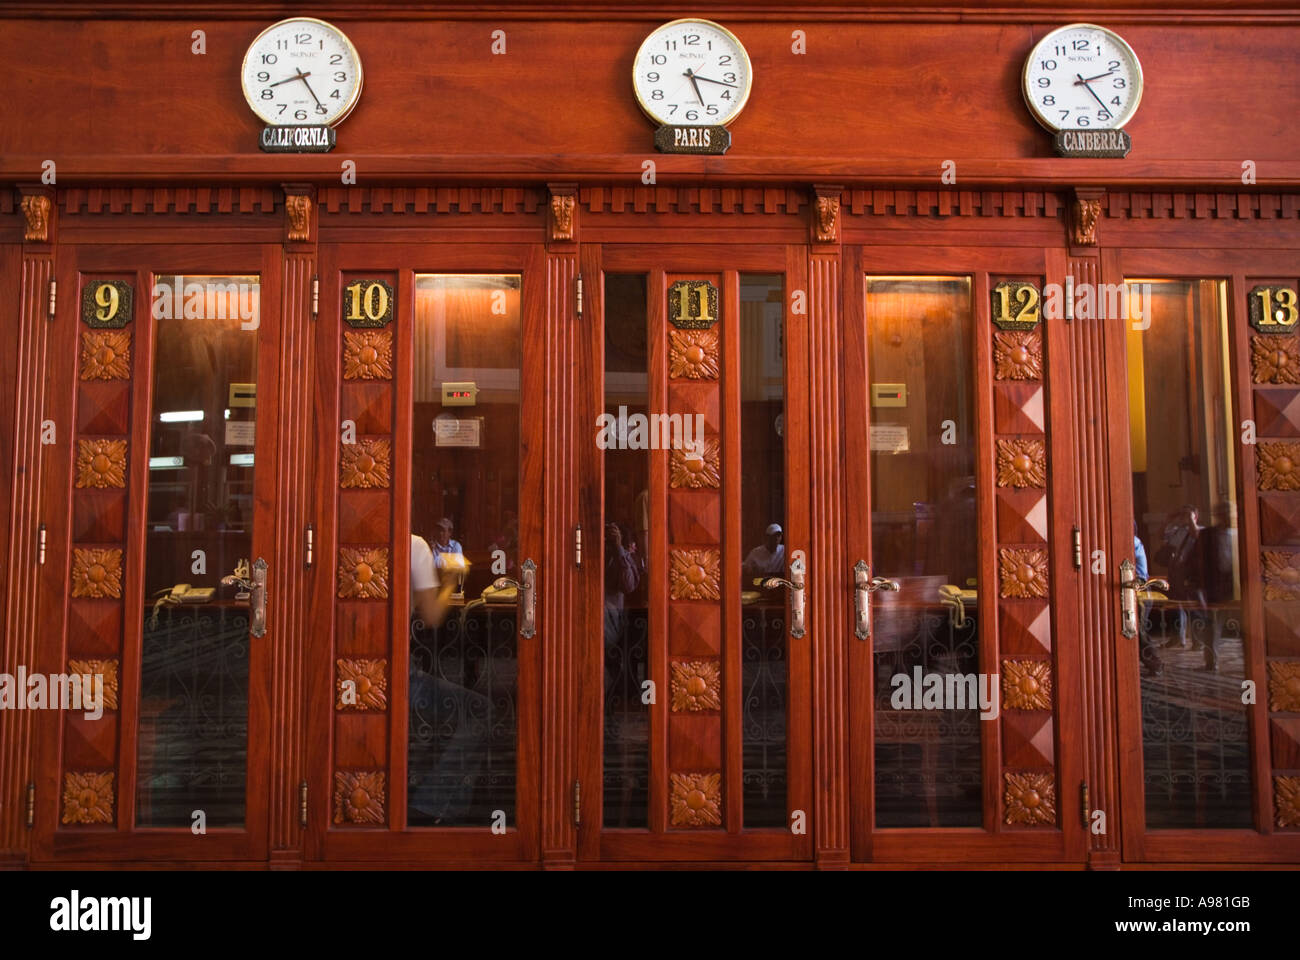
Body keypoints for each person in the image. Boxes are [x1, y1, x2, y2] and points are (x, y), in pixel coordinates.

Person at [408, 533, 487, 825]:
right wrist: (452, 578)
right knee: (480, 710)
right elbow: (431, 615)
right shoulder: (414, 545)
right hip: (402, 677)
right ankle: (434, 807)